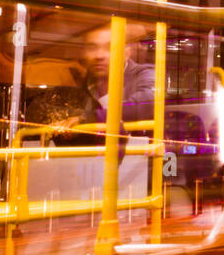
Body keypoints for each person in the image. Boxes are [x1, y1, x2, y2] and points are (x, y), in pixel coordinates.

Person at [53, 24, 155, 159]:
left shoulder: (144, 75)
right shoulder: (82, 86)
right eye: (92, 48)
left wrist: (88, 119)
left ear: (126, 53)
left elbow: (144, 104)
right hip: (93, 167)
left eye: (109, 47)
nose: (99, 55)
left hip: (138, 168)